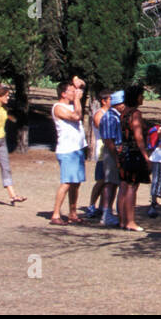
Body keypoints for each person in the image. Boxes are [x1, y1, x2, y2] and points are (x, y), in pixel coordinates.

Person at [50, 77, 88, 225]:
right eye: (71, 91)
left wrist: (79, 82)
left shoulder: (73, 104)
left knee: (76, 183)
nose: (75, 94)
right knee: (66, 182)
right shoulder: (58, 108)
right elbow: (77, 117)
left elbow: (82, 87)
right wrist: (78, 100)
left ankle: (73, 213)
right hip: (67, 150)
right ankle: (55, 214)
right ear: (63, 94)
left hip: (77, 148)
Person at [116, 85, 152, 232]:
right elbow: (138, 136)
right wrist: (145, 156)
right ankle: (130, 221)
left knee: (124, 186)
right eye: (141, 95)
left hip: (123, 152)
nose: (143, 98)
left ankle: (123, 220)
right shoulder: (135, 113)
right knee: (132, 187)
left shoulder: (123, 113)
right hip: (134, 153)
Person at [95, 90, 124, 227]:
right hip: (111, 153)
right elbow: (108, 140)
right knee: (109, 182)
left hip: (116, 152)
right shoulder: (109, 117)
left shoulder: (117, 116)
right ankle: (106, 212)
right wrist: (116, 157)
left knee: (114, 183)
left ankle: (110, 212)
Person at [86, 89, 111, 218]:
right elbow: (104, 130)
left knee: (109, 181)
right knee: (101, 180)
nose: (112, 102)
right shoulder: (99, 114)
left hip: (110, 150)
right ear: (103, 101)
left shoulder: (111, 113)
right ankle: (91, 205)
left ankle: (103, 207)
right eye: (110, 99)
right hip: (102, 150)